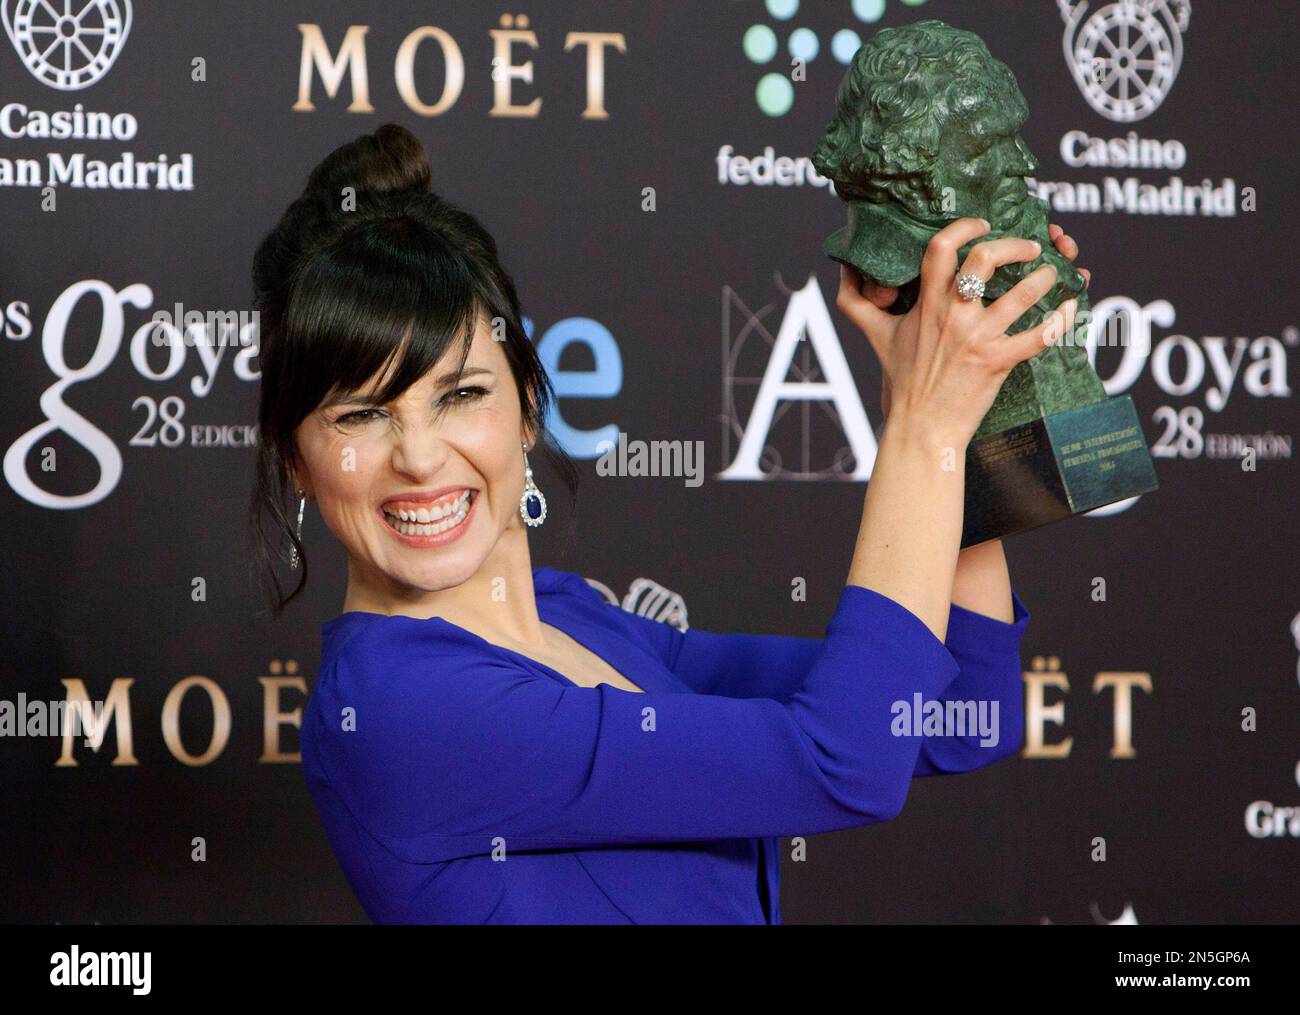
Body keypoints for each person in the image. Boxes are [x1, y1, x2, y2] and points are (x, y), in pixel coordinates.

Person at [248, 123, 1084, 924]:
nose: (421, 458)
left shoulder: (573, 617)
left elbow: (963, 713)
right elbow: (846, 759)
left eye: (460, 395)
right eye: (361, 416)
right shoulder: (401, 711)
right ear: (297, 461)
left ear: (529, 409)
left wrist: (980, 393)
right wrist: (924, 421)